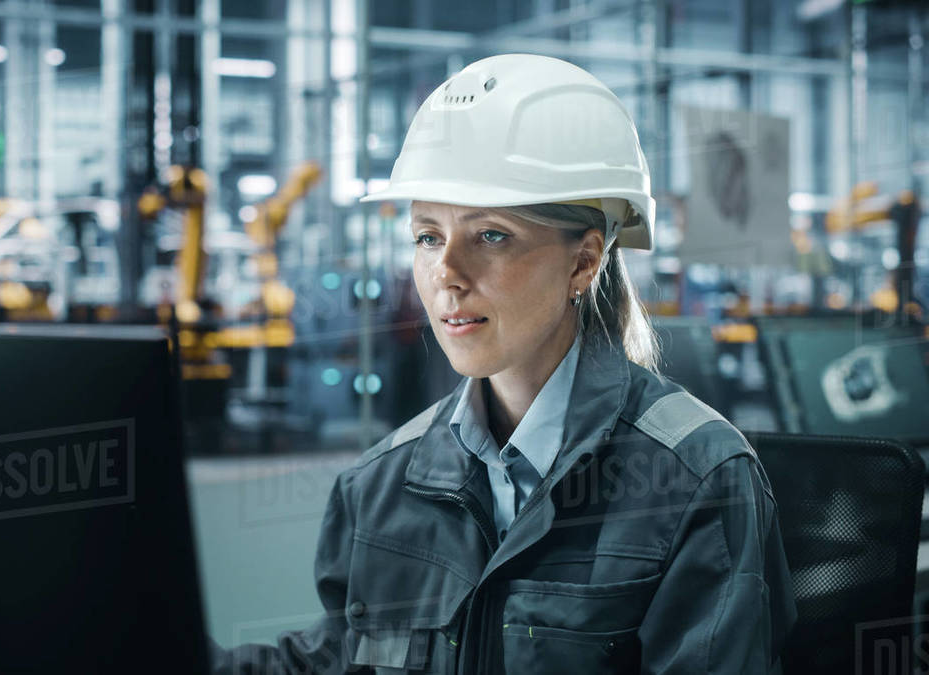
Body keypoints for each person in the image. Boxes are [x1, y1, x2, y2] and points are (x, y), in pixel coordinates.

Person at [211, 53, 797, 674]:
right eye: (428, 236)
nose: (446, 274)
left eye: (490, 235)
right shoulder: (379, 486)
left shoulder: (696, 479)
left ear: (583, 262)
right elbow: (335, 662)